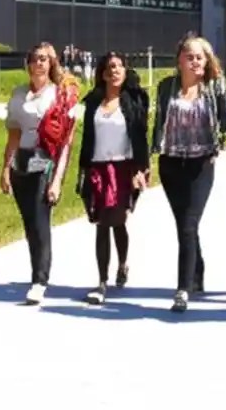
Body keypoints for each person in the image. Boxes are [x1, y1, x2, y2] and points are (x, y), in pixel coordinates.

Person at [151, 32, 226, 312]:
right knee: (185, 226)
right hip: (171, 164)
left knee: (188, 224)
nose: (196, 61)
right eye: (190, 57)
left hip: (201, 165)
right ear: (179, 61)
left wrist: (218, 146)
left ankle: (182, 289)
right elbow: (158, 123)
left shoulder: (214, 86)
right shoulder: (166, 87)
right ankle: (196, 272)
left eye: (200, 57)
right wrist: (150, 157)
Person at [0, 42, 81, 306]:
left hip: (44, 158)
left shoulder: (60, 95)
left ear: (52, 64)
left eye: (44, 59)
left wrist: (57, 180)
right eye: (35, 59)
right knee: (28, 222)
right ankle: (36, 271)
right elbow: (13, 133)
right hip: (22, 159)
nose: (39, 64)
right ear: (28, 63)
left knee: (40, 219)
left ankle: (40, 280)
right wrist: (5, 168)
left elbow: (67, 142)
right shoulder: (19, 94)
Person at [76, 52, 150, 305]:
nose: (115, 71)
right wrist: (83, 169)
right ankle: (101, 280)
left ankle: (120, 265)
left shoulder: (133, 101)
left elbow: (141, 137)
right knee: (102, 222)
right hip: (98, 168)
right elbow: (86, 138)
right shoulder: (94, 102)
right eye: (110, 67)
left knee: (115, 220)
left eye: (119, 66)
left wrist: (142, 169)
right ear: (103, 73)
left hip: (123, 168)